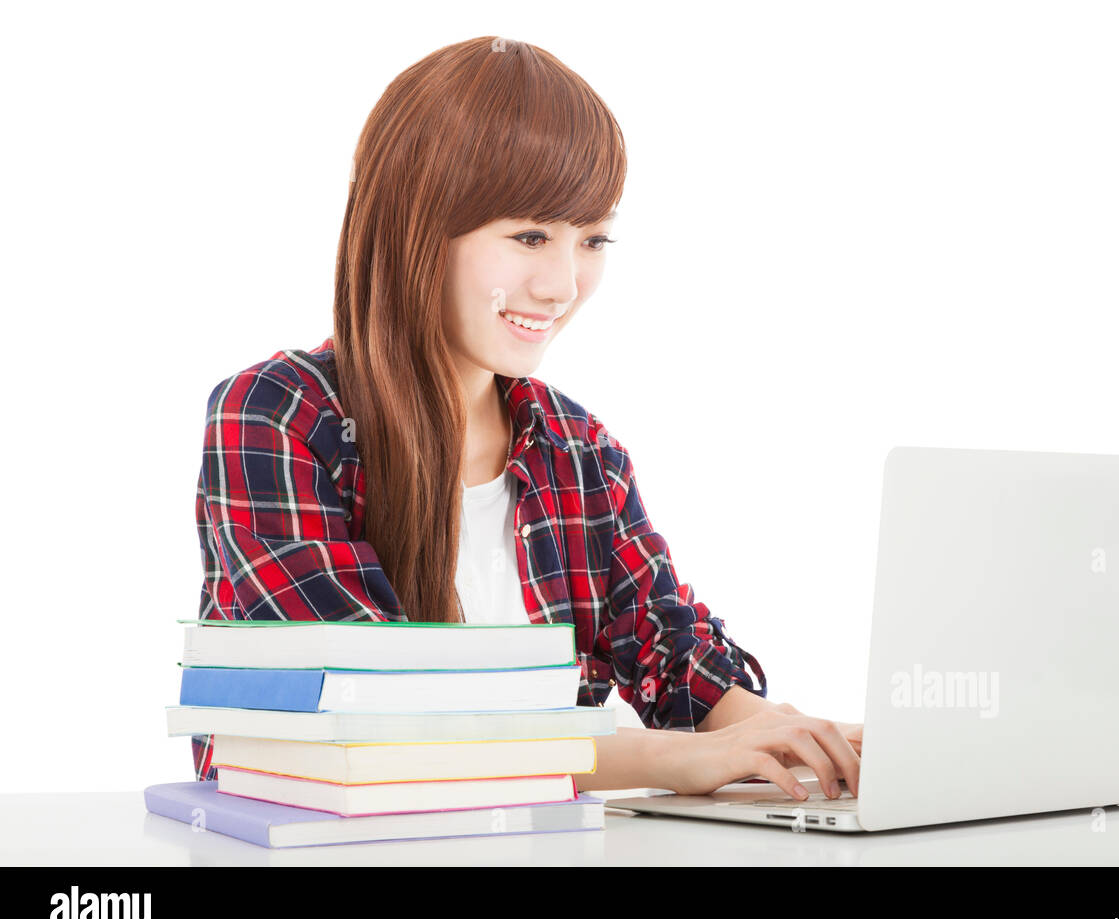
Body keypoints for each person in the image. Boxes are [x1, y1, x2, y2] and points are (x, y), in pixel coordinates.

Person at [192, 36, 862, 802]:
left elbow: (674, 661)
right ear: (413, 226)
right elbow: (377, 713)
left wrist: (798, 738)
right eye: (531, 236)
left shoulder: (579, 449)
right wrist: (671, 761)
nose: (563, 284)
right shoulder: (278, 415)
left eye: (594, 239)